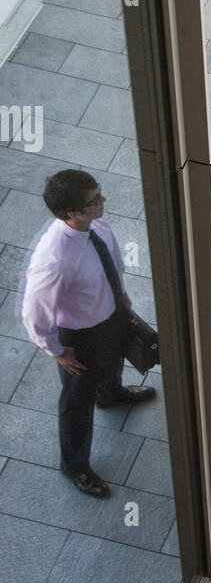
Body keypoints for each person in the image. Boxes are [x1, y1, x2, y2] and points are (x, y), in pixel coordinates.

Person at [21, 170, 156, 499]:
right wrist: (56, 350)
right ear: (71, 213)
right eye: (94, 201)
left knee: (113, 361)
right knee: (76, 401)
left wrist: (121, 293)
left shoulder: (95, 224)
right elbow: (34, 313)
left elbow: (113, 260)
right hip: (80, 336)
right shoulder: (52, 260)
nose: (103, 202)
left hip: (110, 315)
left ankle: (110, 395)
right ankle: (75, 464)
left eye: (99, 195)